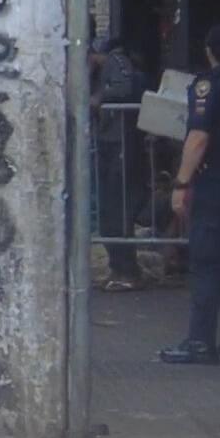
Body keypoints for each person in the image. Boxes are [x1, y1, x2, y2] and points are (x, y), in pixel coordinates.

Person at [160, 24, 220, 365]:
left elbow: (199, 138)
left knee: (206, 260)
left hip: (217, 181)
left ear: (210, 50)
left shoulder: (210, 85)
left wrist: (181, 183)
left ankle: (200, 341)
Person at [92, 38, 149, 291]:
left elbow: (123, 88)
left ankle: (126, 269)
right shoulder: (103, 68)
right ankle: (119, 267)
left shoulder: (115, 62)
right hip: (109, 142)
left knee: (117, 210)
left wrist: (99, 98)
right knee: (109, 211)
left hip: (120, 143)